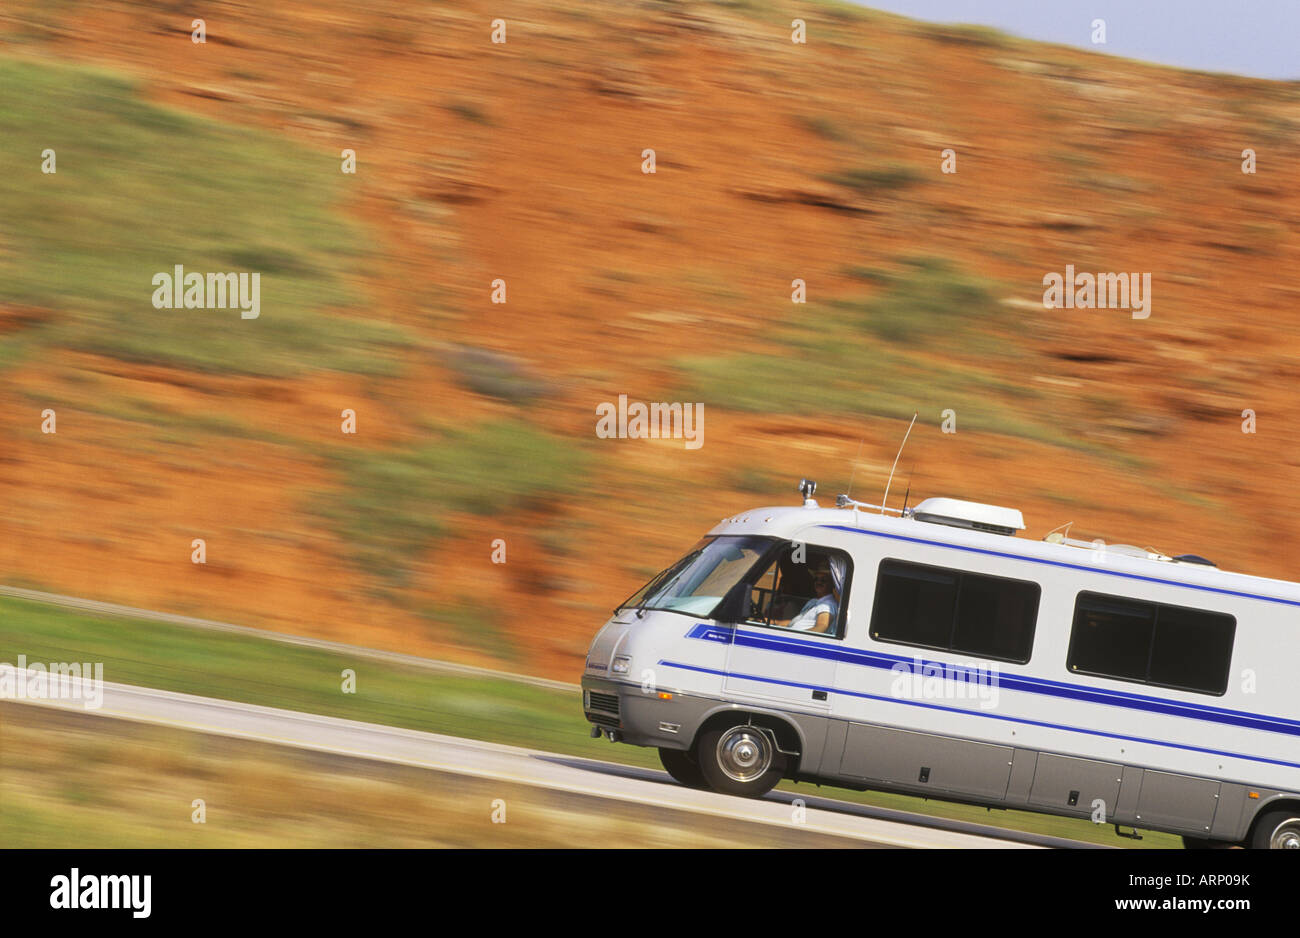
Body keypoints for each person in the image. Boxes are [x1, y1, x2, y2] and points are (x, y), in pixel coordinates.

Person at [771, 558, 842, 634]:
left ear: (832, 583)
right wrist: (774, 622)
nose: (818, 582)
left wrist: (797, 637)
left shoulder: (828, 605)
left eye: (823, 580)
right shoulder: (814, 601)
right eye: (816, 579)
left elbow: (822, 627)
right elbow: (795, 622)